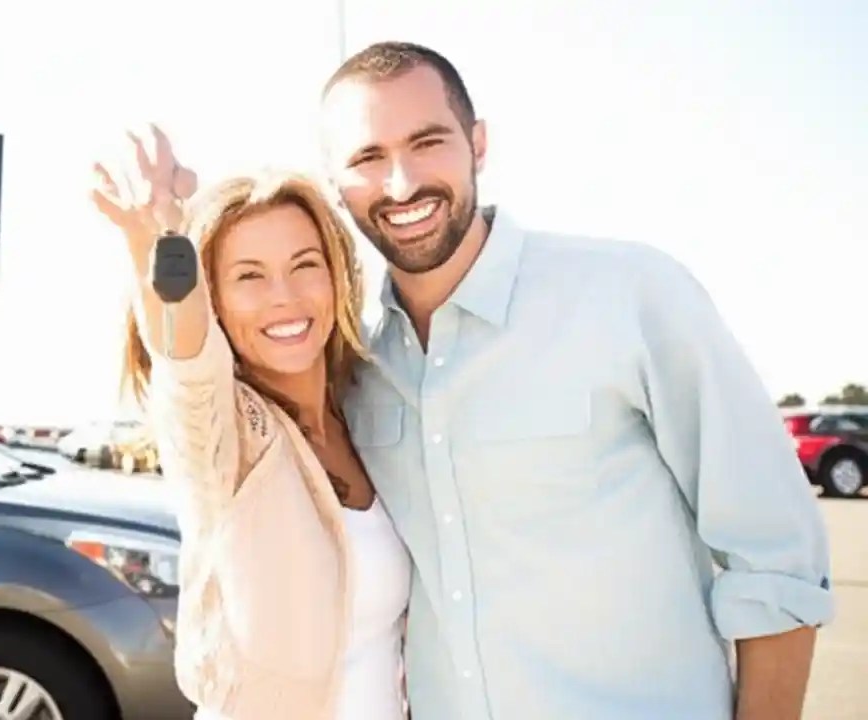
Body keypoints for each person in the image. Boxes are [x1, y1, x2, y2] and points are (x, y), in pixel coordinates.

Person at [317, 41, 836, 720]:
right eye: (366, 157)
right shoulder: (354, 367)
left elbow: (774, 556)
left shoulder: (630, 295)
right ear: (334, 182)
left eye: (428, 141)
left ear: (478, 144)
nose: (401, 183)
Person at [89, 128, 411, 719]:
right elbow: (184, 356)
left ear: (337, 275)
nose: (283, 297)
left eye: (304, 265)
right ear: (214, 299)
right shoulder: (224, 432)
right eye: (249, 276)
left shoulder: (367, 412)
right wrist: (157, 238)